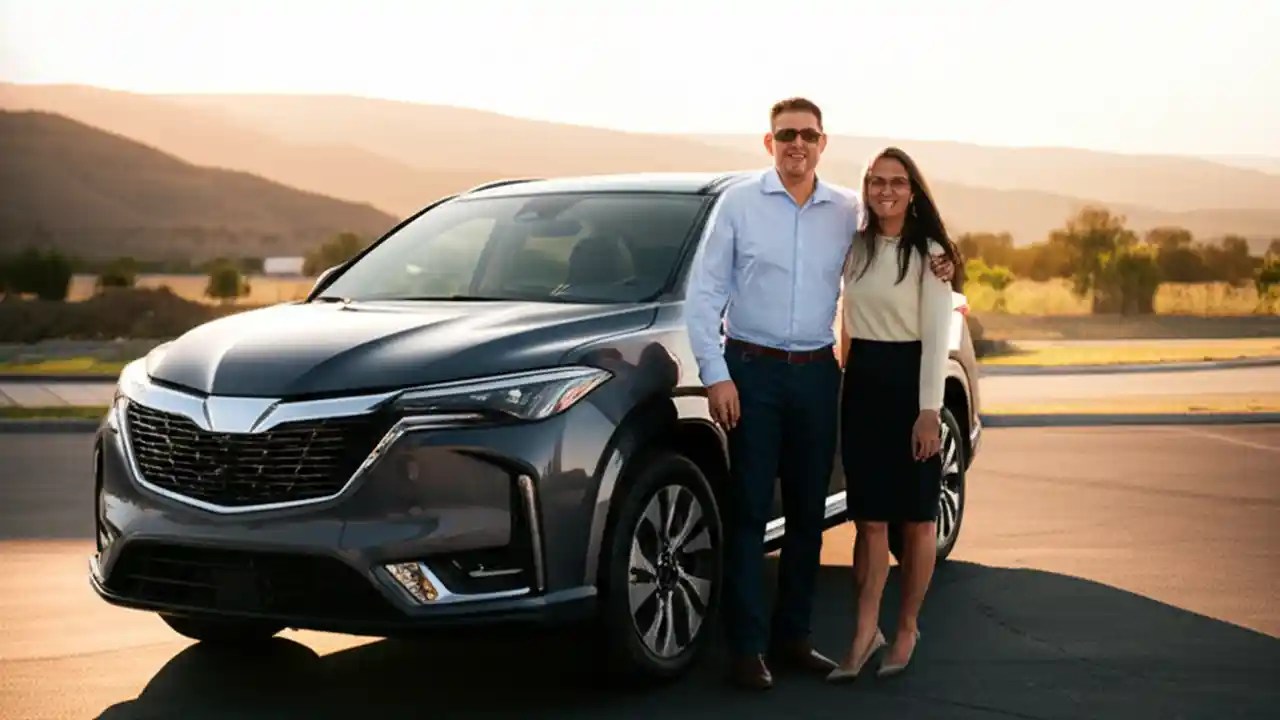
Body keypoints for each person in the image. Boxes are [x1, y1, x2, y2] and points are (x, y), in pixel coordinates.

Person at [684, 98, 953, 691]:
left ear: (823, 142)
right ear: (769, 142)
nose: (796, 145)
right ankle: (748, 648)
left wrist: (949, 260)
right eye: (786, 135)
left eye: (807, 134)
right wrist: (715, 374)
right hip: (749, 370)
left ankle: (795, 639)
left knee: (809, 514)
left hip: (817, 375)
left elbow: (898, 237)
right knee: (751, 510)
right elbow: (702, 296)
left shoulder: (845, 211)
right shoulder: (739, 206)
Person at [825, 146, 964, 683]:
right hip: (862, 389)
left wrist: (929, 411)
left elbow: (936, 341)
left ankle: (906, 627)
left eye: (897, 182)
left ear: (912, 190)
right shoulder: (855, 247)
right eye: (876, 181)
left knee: (919, 518)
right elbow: (847, 321)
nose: (885, 190)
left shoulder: (929, 254)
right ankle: (864, 633)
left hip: (912, 387)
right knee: (870, 519)